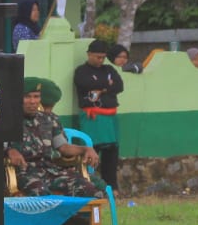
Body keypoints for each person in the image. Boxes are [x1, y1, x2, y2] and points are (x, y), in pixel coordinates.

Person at [7, 78, 100, 197]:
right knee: (40, 193)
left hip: (51, 171)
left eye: (36, 97)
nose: (32, 101)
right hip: (24, 173)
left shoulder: (49, 119)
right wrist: (10, 151)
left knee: (87, 188)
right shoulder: (7, 121)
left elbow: (63, 147)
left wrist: (86, 149)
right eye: (27, 97)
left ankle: (83, 210)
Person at [73, 39, 123, 189]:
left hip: (110, 117)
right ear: (89, 54)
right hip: (92, 118)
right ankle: (89, 185)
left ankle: (111, 186)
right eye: (97, 57)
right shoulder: (82, 71)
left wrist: (102, 90)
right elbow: (86, 84)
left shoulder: (109, 69)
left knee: (112, 151)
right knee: (92, 150)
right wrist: (107, 86)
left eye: (103, 57)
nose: (100, 60)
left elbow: (119, 85)